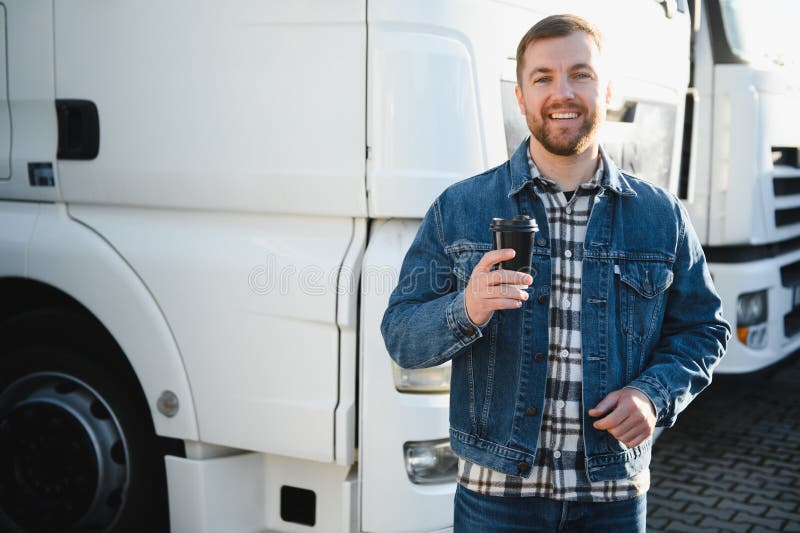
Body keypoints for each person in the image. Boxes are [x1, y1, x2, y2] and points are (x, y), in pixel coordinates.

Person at [380, 13, 731, 533]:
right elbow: (402, 336)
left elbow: (704, 329)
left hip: (611, 495)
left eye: (580, 74)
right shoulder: (459, 208)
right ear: (520, 96)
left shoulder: (661, 215)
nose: (561, 92)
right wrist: (467, 308)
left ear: (606, 89)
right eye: (542, 77)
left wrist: (652, 396)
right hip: (495, 498)